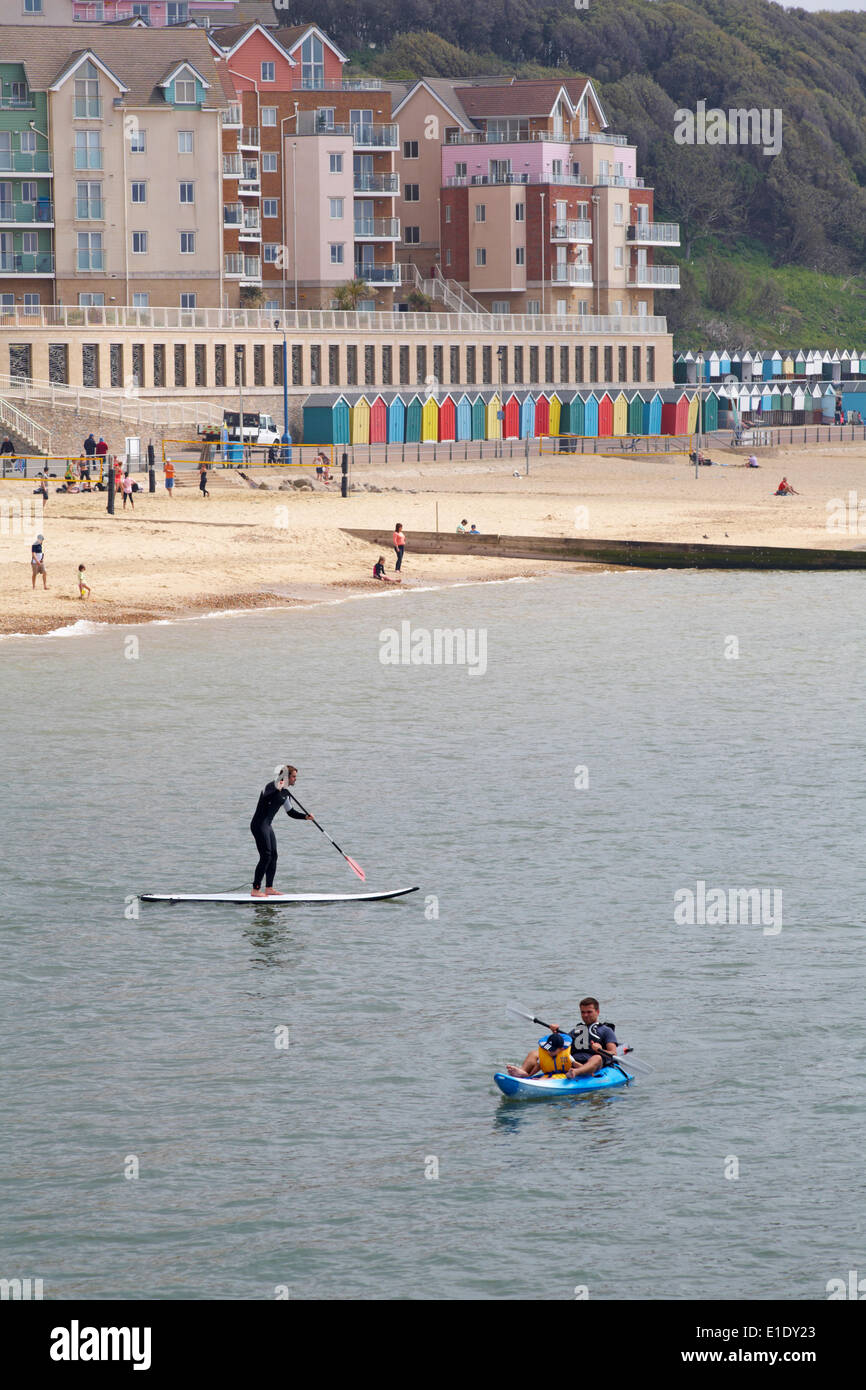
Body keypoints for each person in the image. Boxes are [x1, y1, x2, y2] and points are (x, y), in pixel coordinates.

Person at [505, 998, 618, 1081]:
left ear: (597, 1012)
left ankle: (575, 1073)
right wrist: (556, 1032)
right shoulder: (576, 1030)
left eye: (589, 1012)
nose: (586, 1015)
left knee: (597, 1057)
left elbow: (613, 1053)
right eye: (583, 1012)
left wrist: (599, 1049)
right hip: (571, 1061)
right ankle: (523, 1073)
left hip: (591, 1063)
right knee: (534, 1053)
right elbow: (561, 1044)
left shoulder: (606, 1030)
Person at [249, 764, 312, 897]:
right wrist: (278, 786)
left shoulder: (286, 794)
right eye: (294, 776)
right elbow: (267, 794)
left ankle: (269, 888)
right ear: (286, 777)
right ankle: (255, 889)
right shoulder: (270, 787)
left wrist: (305, 817)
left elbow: (290, 812)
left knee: (274, 855)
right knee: (265, 856)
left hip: (267, 826)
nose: (296, 779)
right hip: (258, 825)